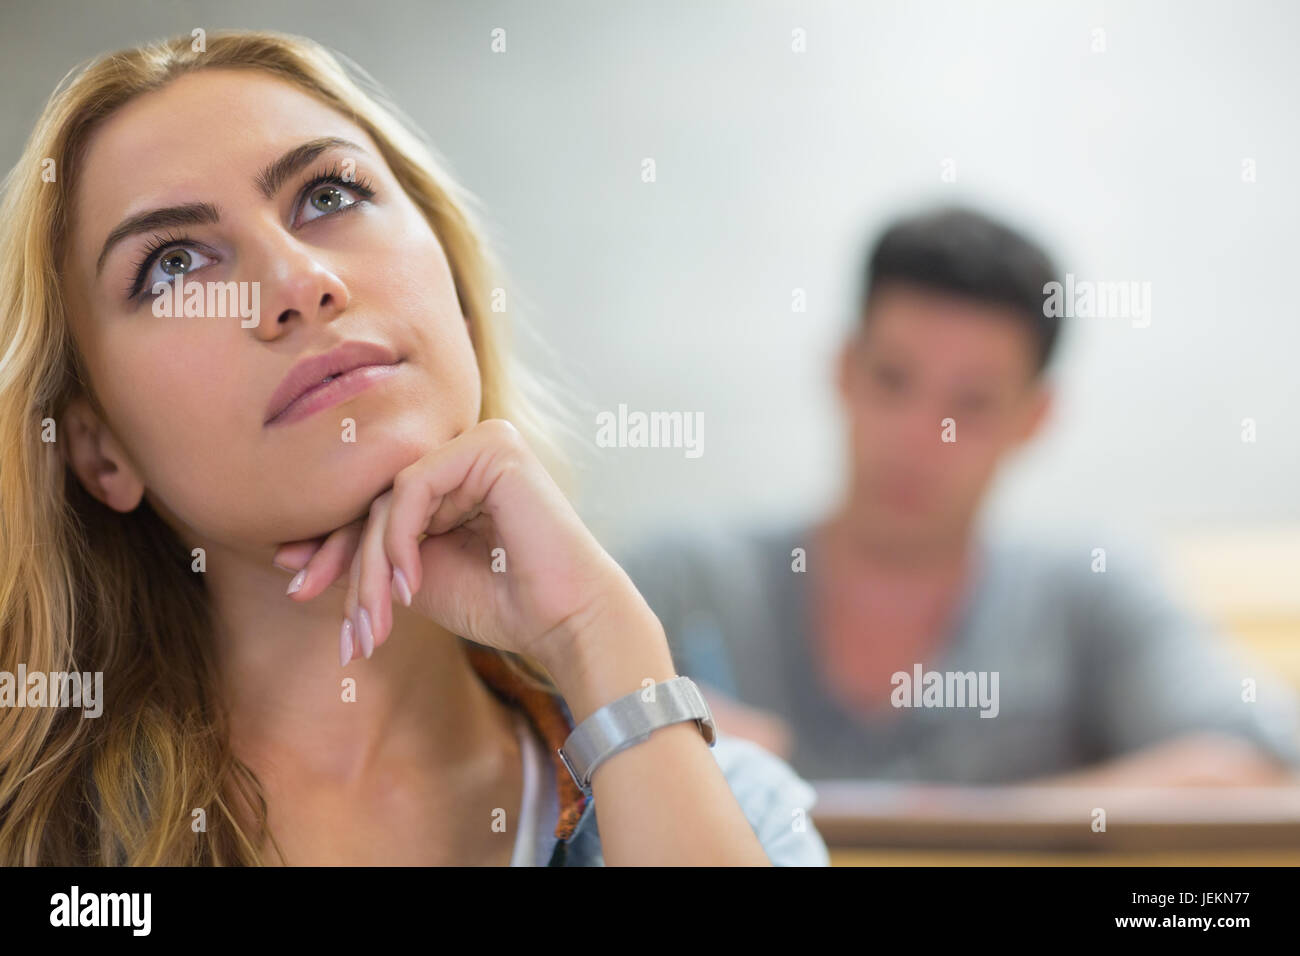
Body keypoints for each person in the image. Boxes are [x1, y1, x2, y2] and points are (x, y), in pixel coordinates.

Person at [0, 29, 828, 866]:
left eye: (327, 196)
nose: (296, 283)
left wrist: (600, 639)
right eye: (175, 265)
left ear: (458, 297)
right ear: (99, 452)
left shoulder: (731, 809)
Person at [616, 206, 1300, 785]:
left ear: (1034, 418)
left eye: (971, 404)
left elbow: (1260, 755)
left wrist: (968, 833)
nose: (921, 436)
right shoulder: (684, 580)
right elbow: (536, 732)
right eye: (893, 379)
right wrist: (641, 728)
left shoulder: (1085, 594)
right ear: (845, 370)